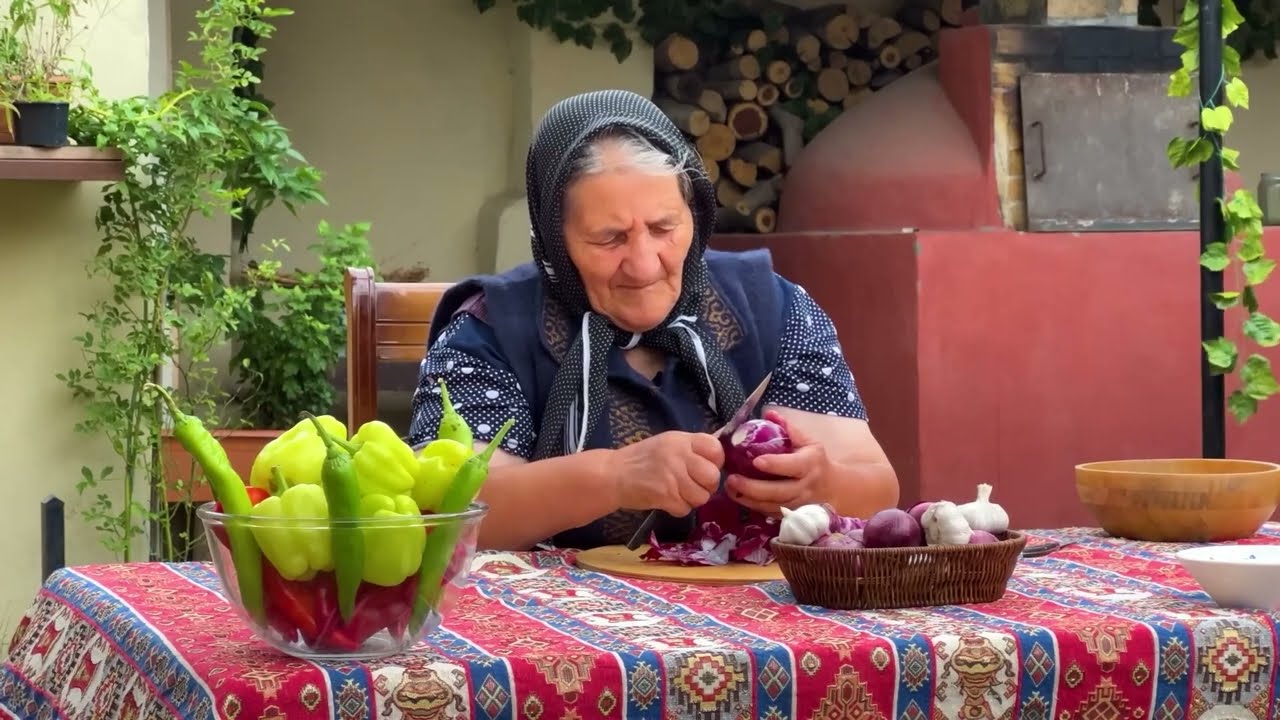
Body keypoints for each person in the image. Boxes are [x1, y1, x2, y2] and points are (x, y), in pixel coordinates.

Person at [408, 89, 897, 551]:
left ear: (696, 214)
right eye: (609, 239)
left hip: (753, 616)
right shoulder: (491, 330)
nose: (644, 264)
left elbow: (877, 488)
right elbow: (453, 513)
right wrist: (614, 477)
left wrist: (821, 481)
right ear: (556, 241)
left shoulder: (770, 307)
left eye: (664, 228)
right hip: (555, 629)